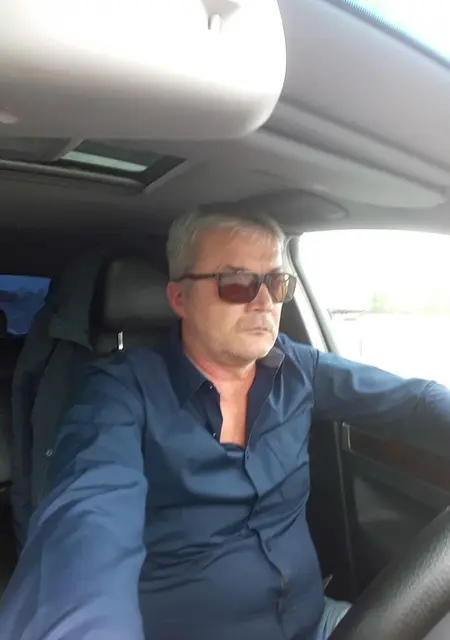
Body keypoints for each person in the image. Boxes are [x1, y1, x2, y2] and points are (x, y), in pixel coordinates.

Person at [1, 209, 450, 640]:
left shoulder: (298, 368)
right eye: (237, 283)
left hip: (318, 623)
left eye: (277, 283)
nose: (264, 302)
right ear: (180, 298)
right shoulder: (121, 392)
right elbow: (87, 522)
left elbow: (413, 401)